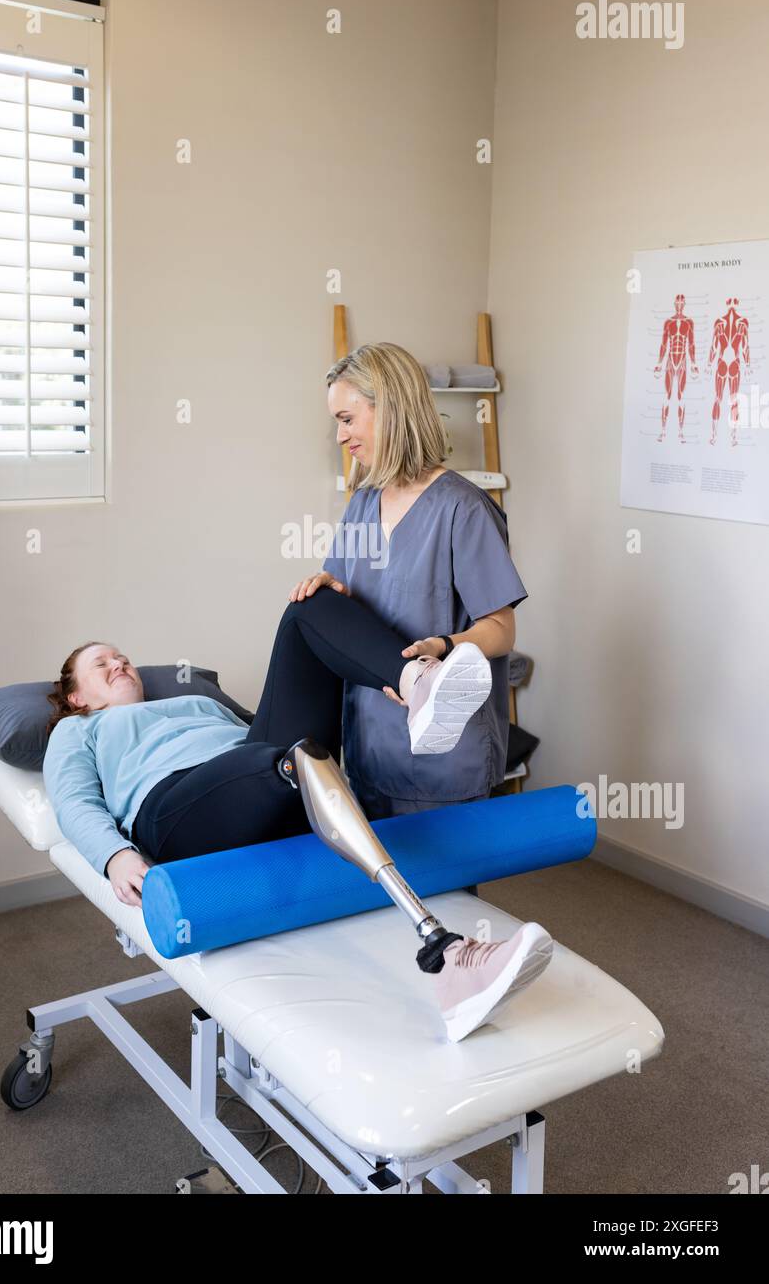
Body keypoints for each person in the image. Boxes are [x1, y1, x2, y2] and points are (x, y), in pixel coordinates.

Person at [43, 589, 552, 1042]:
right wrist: (113, 856)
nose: (119, 664)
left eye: (121, 657)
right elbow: (73, 801)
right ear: (76, 696)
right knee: (285, 759)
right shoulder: (77, 731)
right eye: (100, 664)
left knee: (307, 609)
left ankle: (416, 680)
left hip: (259, 771)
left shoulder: (195, 702)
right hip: (178, 808)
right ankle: (447, 955)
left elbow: (260, 727)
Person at [291, 340, 527, 823]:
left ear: (391, 410)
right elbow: (348, 598)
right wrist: (324, 591)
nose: (340, 435)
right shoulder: (362, 502)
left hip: (444, 758)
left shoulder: (463, 508)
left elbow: (501, 631)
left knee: (447, 898)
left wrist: (444, 645)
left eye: (347, 418)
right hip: (373, 744)